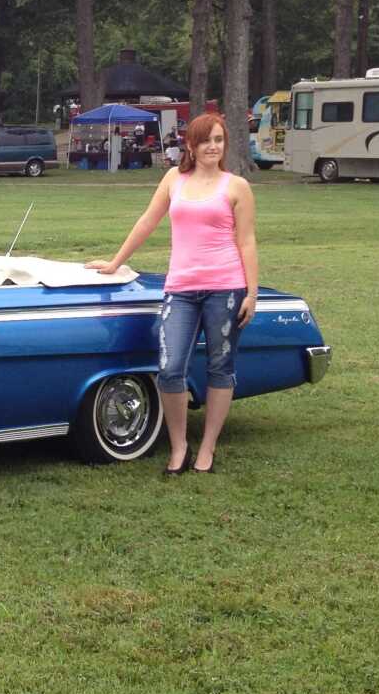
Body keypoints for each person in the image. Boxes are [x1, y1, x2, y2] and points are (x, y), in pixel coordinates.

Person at [86, 112, 258, 475]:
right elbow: (148, 220)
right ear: (191, 146)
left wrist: (252, 293)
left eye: (219, 140)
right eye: (206, 140)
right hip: (180, 288)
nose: (213, 146)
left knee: (220, 367)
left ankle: (207, 448)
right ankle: (179, 445)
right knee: (169, 368)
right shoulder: (173, 179)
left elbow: (247, 241)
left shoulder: (236, 186)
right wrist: (116, 262)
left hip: (226, 288)